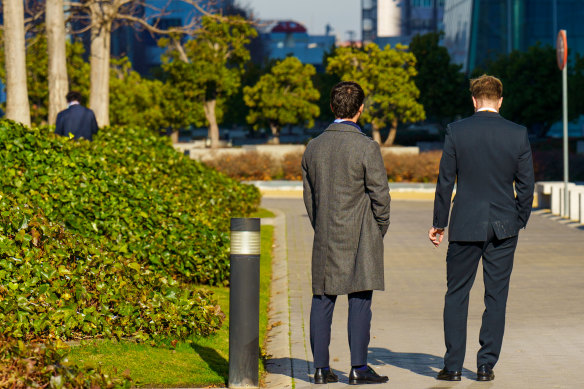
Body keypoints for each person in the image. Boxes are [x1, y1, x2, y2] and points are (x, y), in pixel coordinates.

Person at [429, 75, 535, 382]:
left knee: (456, 294)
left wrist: (439, 223)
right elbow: (527, 185)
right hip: (504, 225)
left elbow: (445, 181)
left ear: (474, 100)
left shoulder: (456, 131)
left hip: (464, 223)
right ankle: (486, 365)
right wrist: (519, 218)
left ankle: (452, 366)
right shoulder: (517, 134)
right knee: (496, 296)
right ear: (500, 100)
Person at [302, 81, 391, 385]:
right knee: (360, 300)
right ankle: (358, 368)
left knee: (322, 299)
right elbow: (381, 197)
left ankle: (319, 369)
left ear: (332, 107)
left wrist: (322, 225)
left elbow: (309, 198)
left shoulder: (313, 146)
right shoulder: (367, 146)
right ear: (361, 109)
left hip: (326, 234)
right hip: (361, 234)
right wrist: (378, 231)